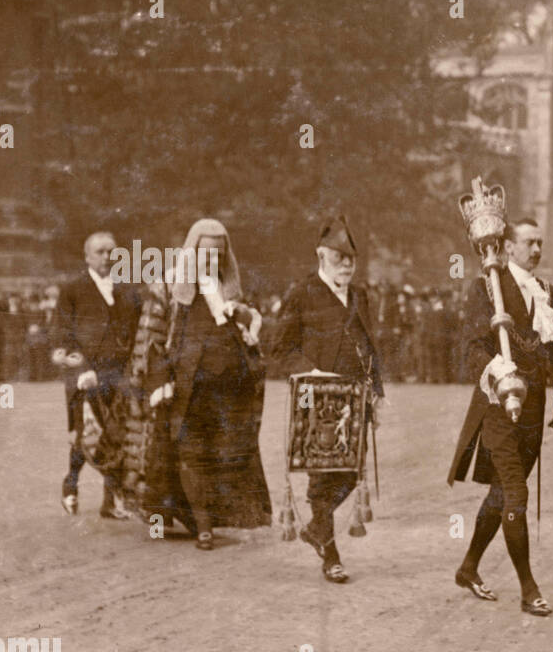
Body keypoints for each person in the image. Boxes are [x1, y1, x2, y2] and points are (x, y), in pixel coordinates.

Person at [448, 218, 553, 615]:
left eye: (540, 243)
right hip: (498, 408)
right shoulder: (486, 288)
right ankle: (528, 588)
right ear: (508, 247)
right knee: (516, 494)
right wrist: (498, 371)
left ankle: (468, 568)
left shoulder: (547, 292)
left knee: (500, 496)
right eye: (529, 243)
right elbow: (469, 349)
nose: (536, 250)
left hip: (532, 413)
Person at [146, 218, 271, 550]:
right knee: (189, 452)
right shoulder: (169, 287)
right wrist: (160, 381)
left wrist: (244, 320)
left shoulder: (232, 294)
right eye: (205, 254)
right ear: (191, 252)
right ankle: (202, 524)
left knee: (221, 453)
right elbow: (152, 340)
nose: (211, 262)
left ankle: (207, 516)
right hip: (185, 387)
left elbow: (252, 335)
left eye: (218, 255)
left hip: (227, 387)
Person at [273, 215, 385, 583]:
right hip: (314, 397)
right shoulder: (301, 292)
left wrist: (377, 393)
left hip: (356, 396)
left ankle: (315, 530)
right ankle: (330, 553)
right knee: (322, 476)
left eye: (351, 259)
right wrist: (309, 371)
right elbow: (279, 348)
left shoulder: (360, 295)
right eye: (340, 258)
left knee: (352, 472)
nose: (347, 266)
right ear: (321, 256)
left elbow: (369, 345)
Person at [51, 231, 142, 518]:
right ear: (87, 256)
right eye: (100, 252)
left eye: (111, 251)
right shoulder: (73, 289)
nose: (107, 257)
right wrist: (80, 369)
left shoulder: (128, 289)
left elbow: (138, 330)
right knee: (85, 435)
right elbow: (62, 333)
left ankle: (109, 501)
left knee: (116, 435)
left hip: (118, 375)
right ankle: (71, 486)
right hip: (84, 374)